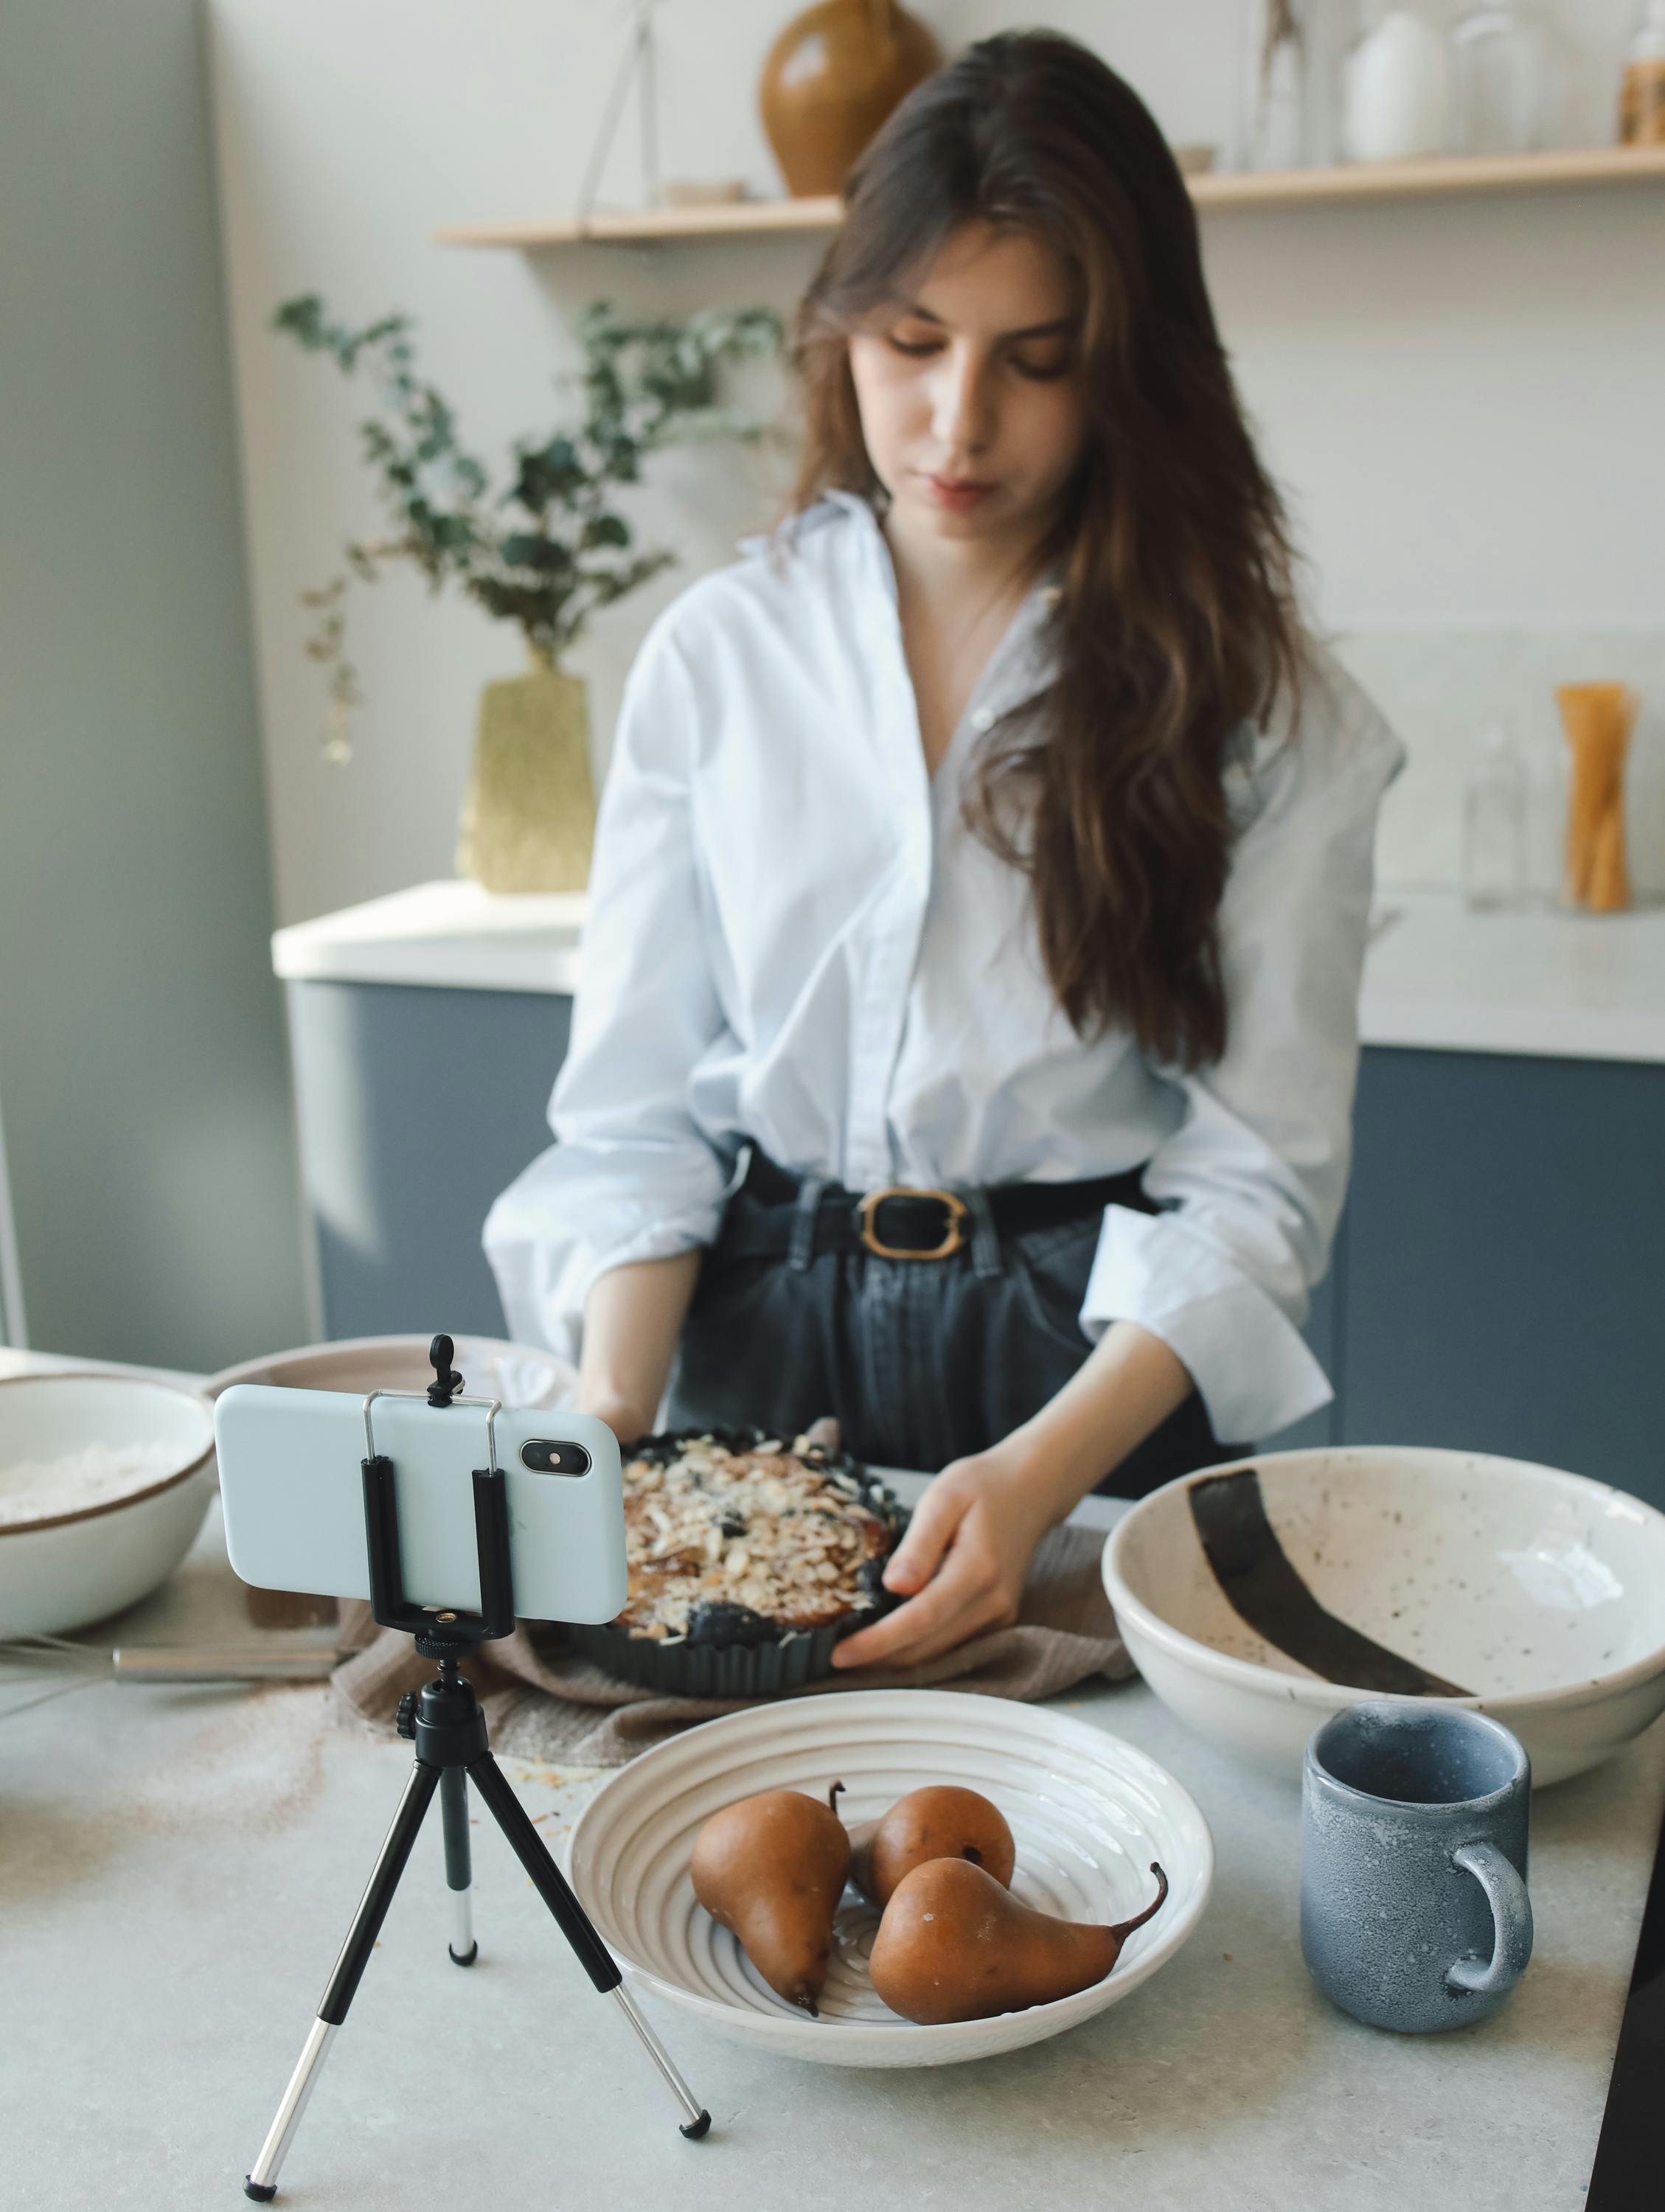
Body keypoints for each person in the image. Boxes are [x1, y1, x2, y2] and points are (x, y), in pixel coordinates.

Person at [484, 31, 1402, 1673]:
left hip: (1085, 1367)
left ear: (1129, 365)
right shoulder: (720, 654)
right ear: (840, 329)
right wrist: (607, 1420)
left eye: (1035, 360)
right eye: (911, 342)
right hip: (753, 1336)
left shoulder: (1261, 707)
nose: (957, 420)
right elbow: (630, 1115)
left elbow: (1255, 1183)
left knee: (1065, 1833)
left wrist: (1044, 1473)